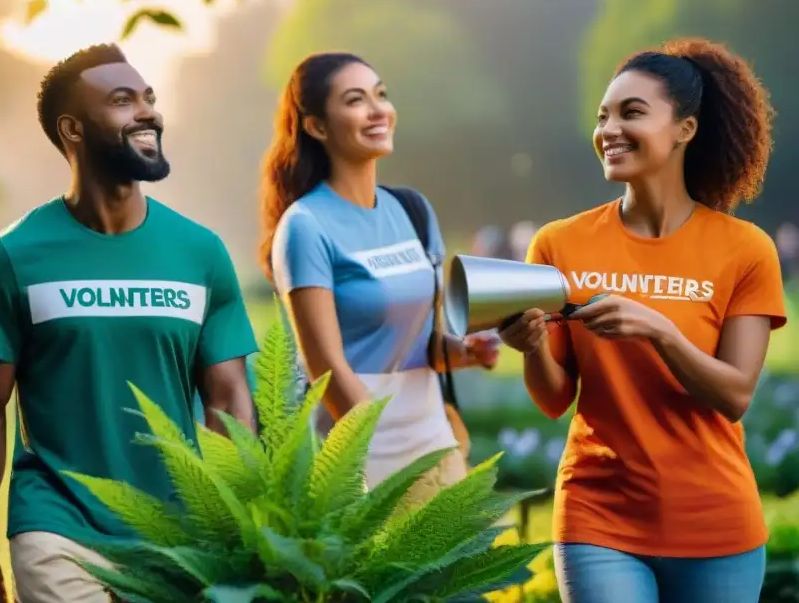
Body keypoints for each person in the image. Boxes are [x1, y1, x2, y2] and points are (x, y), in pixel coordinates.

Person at [0, 43, 259, 603]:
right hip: (56, 522)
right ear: (72, 129)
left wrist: (240, 520)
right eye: (123, 101)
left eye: (148, 98)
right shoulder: (14, 256)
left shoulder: (201, 253)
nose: (147, 112)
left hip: (179, 532)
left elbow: (229, 399)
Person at [499, 38, 783, 603]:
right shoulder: (558, 244)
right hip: (597, 518)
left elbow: (734, 395)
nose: (609, 130)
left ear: (685, 130)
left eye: (632, 113)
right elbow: (555, 399)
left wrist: (659, 330)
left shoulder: (745, 250)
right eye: (604, 115)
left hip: (716, 523)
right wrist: (531, 346)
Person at [259, 52, 498, 499]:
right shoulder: (305, 226)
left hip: (437, 445)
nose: (377, 111)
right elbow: (325, 366)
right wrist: (377, 461)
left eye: (381, 95)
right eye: (355, 100)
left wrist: (463, 351)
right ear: (316, 127)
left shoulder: (412, 210)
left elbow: (423, 346)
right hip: (363, 457)